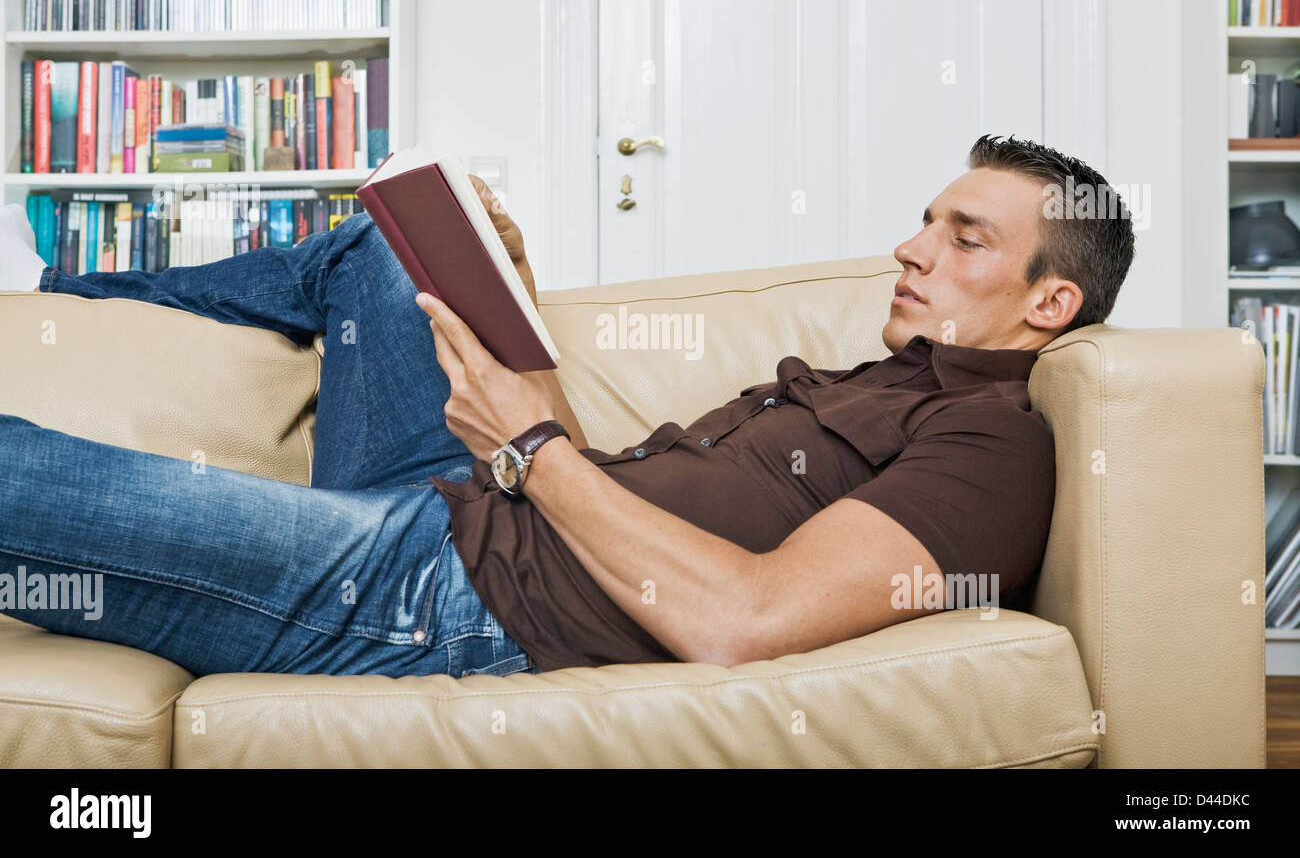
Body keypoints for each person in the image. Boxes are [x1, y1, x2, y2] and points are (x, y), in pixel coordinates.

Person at [0, 134, 1134, 678]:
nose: (910, 245)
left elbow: (737, 619)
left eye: (963, 236)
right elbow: (604, 489)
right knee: (389, 252)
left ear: (1052, 301)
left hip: (436, 595)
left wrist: (532, 449)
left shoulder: (993, 441)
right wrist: (509, 297)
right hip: (460, 505)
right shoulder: (876, 380)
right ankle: (51, 282)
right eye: (925, 217)